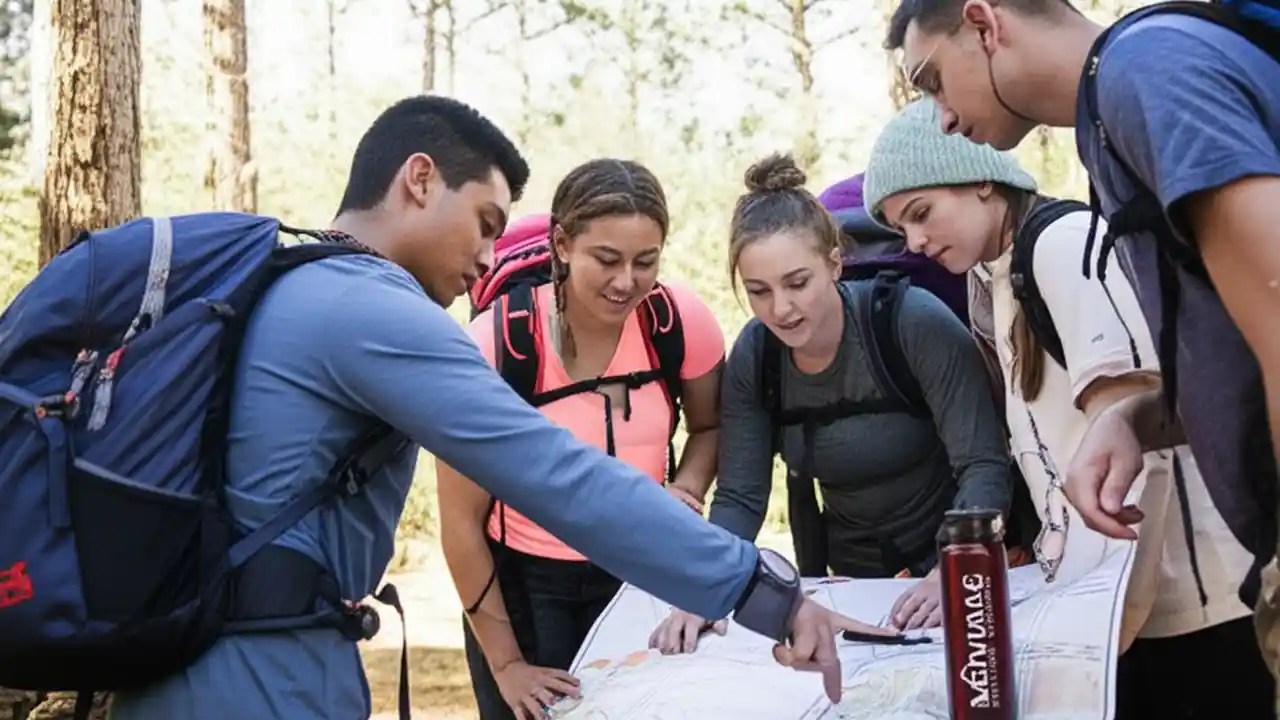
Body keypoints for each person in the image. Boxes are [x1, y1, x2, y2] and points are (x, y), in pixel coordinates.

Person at [104, 96, 890, 719]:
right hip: (259, 673)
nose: (489, 258)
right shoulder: (371, 311)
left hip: (227, 650)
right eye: (484, 223)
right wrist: (761, 593)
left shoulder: (294, 280)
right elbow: (552, 475)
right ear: (418, 180)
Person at [883, 0, 1280, 679]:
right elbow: (1237, 353)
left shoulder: (1147, 72)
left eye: (932, 78)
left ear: (984, 22)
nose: (942, 116)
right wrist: (1138, 419)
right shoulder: (1113, 106)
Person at [649, 153, 1012, 654]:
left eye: (798, 283)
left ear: (835, 263)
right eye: (758, 291)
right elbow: (740, 497)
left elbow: (984, 463)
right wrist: (705, 589)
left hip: (949, 560)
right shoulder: (756, 356)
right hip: (852, 583)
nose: (781, 308)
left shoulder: (911, 323)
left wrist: (956, 565)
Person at [439, 159, 725, 719]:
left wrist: (684, 493)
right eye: (607, 259)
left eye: (646, 262)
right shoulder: (498, 346)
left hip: (644, 573)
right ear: (563, 245)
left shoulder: (677, 320)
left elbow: (711, 428)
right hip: (526, 591)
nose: (627, 282)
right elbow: (460, 524)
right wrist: (506, 667)